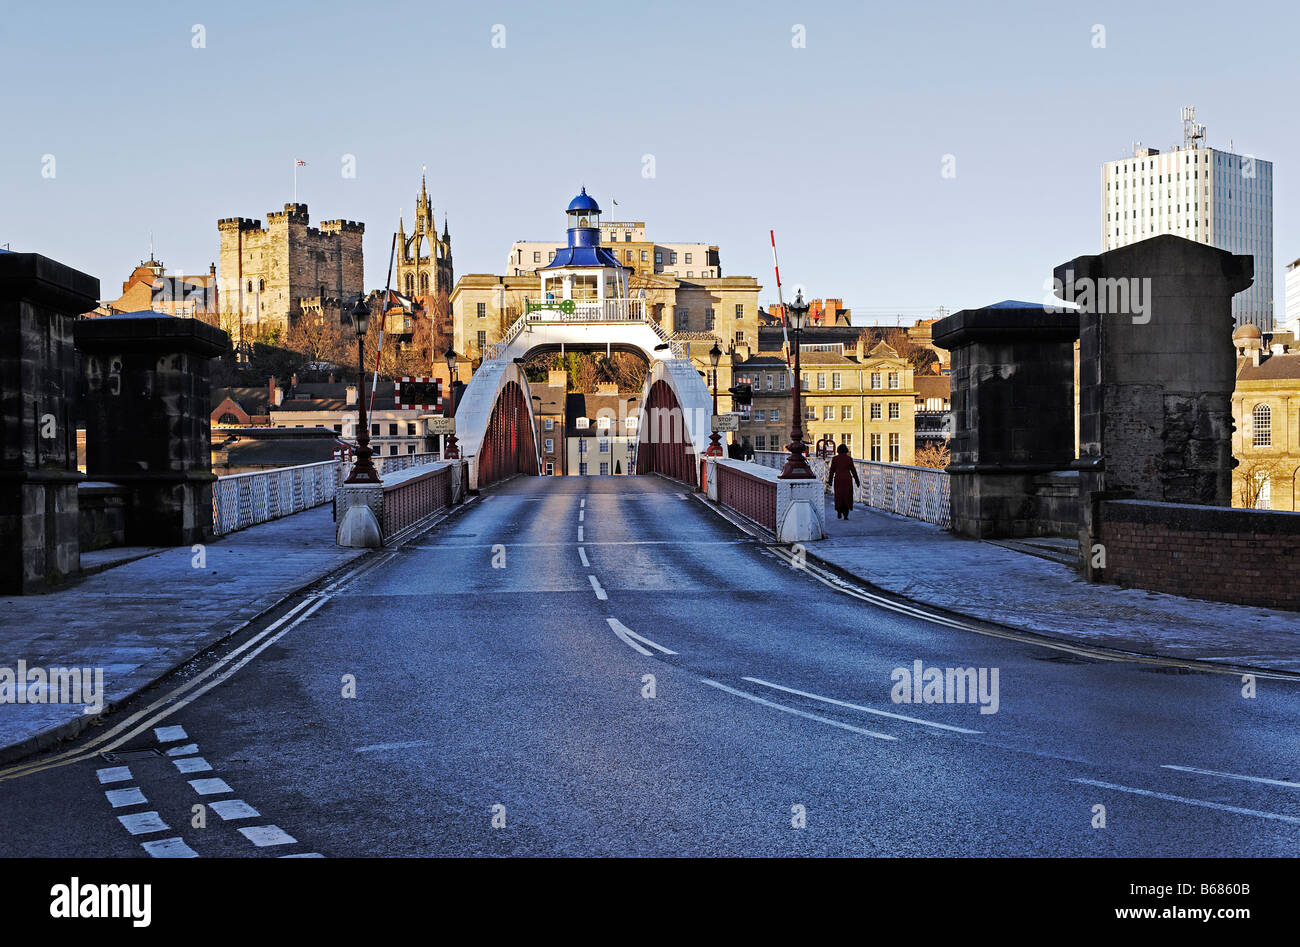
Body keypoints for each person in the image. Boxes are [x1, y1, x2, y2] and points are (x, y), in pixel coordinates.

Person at [827, 442, 860, 519]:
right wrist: (857, 480)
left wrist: (830, 481)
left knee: (839, 495)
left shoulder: (835, 459)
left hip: (838, 479)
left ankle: (839, 510)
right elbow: (853, 471)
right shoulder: (849, 459)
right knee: (847, 496)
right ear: (846, 450)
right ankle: (846, 515)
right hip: (847, 479)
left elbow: (832, 471)